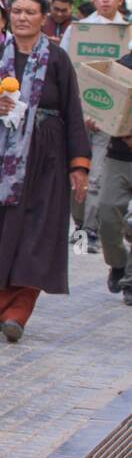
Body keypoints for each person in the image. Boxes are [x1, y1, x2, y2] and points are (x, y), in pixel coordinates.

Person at [0, 0, 91, 342]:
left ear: (43, 18)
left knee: (34, 234)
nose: (23, 18)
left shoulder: (57, 60)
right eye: (18, 11)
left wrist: (78, 165)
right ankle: (2, 303)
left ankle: (18, 311)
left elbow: (72, 111)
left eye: (31, 12)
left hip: (45, 163)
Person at [61, 0, 127, 252]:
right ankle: (80, 222)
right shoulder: (78, 31)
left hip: (112, 119)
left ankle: (89, 231)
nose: (106, 0)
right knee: (76, 173)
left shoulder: (128, 32)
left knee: (97, 176)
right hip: (77, 113)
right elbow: (64, 66)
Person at [103, 47, 132, 306]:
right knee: (107, 212)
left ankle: (131, 282)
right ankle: (118, 263)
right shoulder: (123, 66)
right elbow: (104, 103)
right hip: (119, 156)